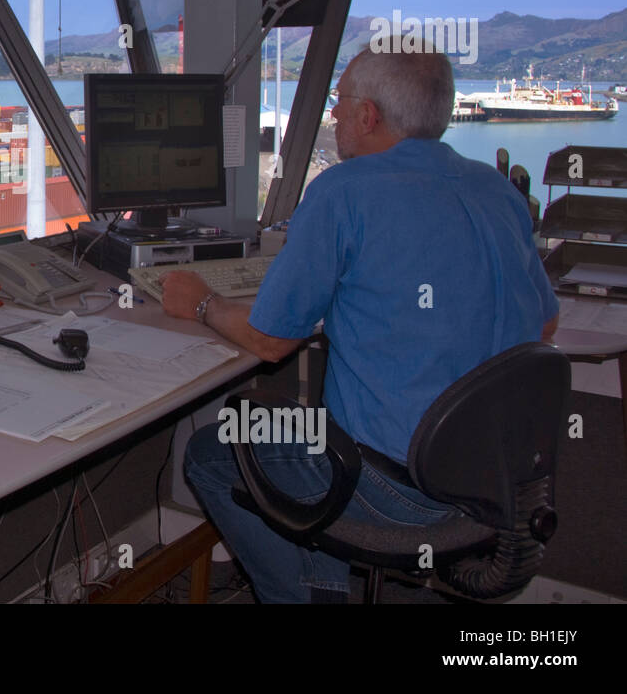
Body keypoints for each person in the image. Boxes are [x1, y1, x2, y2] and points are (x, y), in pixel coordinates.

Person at [165, 46, 559, 603]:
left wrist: (201, 303)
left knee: (210, 451)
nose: (333, 116)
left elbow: (272, 341)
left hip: (391, 487)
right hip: (495, 481)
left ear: (369, 116)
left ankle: (309, 594)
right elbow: (544, 325)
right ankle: (331, 581)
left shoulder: (343, 191)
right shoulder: (495, 190)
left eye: (339, 102)